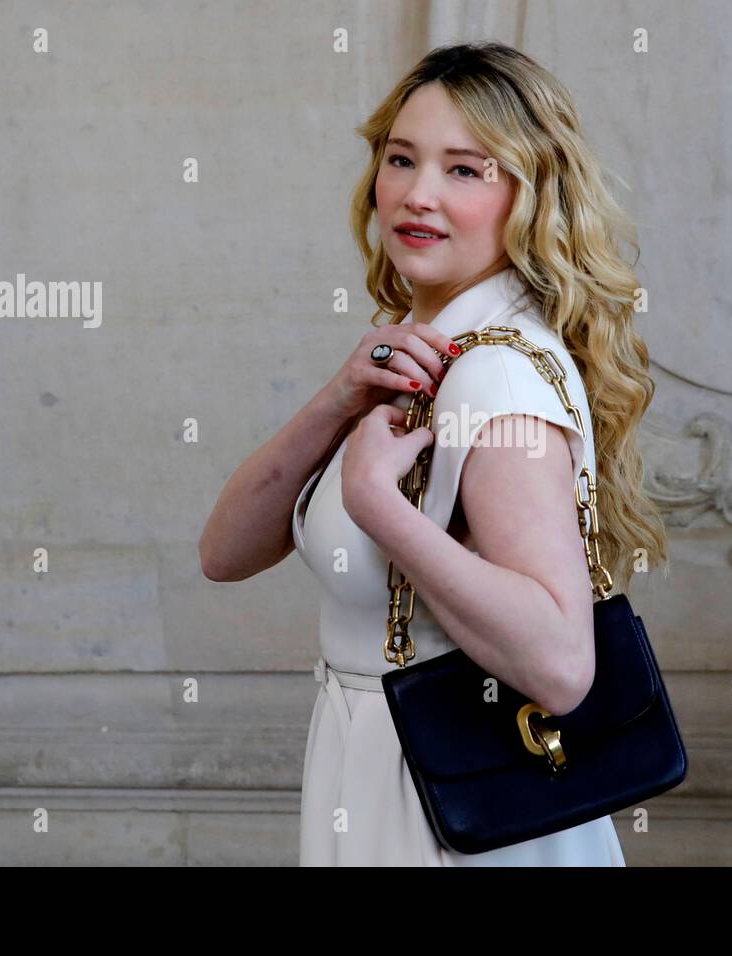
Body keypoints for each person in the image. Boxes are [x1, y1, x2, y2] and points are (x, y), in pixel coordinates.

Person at [199, 41, 668, 866]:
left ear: (530, 193)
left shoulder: (494, 378)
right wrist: (339, 400)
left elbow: (560, 667)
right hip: (382, 770)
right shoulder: (426, 353)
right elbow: (223, 553)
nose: (417, 195)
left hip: (458, 808)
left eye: (465, 169)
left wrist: (382, 509)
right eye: (401, 158)